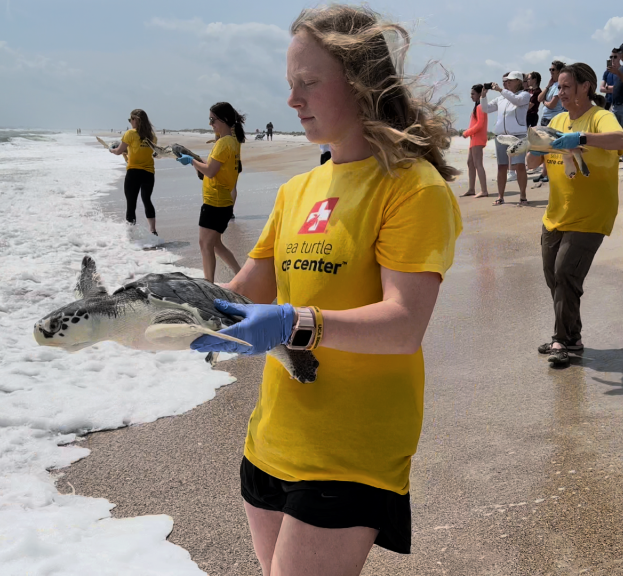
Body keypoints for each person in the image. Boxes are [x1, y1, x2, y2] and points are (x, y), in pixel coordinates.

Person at [190, 6, 462, 574]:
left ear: (362, 85)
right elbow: (240, 294)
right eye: (291, 85)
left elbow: (404, 326)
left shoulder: (412, 188)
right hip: (271, 438)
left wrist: (294, 324)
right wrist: (145, 314)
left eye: (309, 83)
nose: (293, 101)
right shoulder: (298, 189)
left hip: (352, 451)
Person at [524, 63, 623, 368]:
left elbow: (621, 141)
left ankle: (561, 340)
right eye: (559, 86)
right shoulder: (555, 118)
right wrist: (538, 148)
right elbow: (531, 163)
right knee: (554, 278)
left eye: (567, 86)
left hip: (591, 214)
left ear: (586, 86)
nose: (561, 92)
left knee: (566, 273)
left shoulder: (599, 116)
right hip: (555, 213)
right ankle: (573, 337)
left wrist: (581, 139)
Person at [177, 102, 245, 283]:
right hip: (223, 202)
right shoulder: (232, 141)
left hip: (215, 202)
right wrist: (197, 161)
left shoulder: (224, 143)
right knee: (215, 244)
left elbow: (210, 171)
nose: (210, 124)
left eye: (212, 120)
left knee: (205, 244)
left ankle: (209, 284)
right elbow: (215, 167)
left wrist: (191, 161)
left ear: (223, 120)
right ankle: (241, 276)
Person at [482, 71, 531, 205]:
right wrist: (483, 96)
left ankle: (523, 196)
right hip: (501, 137)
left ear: (519, 81)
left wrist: (500, 90)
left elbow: (517, 100)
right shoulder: (501, 98)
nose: (507, 82)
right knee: (502, 166)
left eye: (510, 80)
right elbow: (485, 109)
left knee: (519, 166)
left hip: (518, 136)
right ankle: (500, 196)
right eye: (506, 81)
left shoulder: (524, 95)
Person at [111, 109, 158, 236]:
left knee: (131, 204)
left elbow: (120, 150)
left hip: (133, 173)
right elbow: (145, 152)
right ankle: (153, 231)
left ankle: (131, 235)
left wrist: (112, 150)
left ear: (136, 120)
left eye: (131, 119)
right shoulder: (153, 137)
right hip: (148, 173)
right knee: (147, 200)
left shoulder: (130, 134)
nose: (130, 122)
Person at [535, 61, 566, 183]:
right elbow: (539, 98)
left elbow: (552, 105)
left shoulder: (560, 85)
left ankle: (550, 173)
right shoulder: (552, 85)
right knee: (544, 148)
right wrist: (548, 85)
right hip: (545, 118)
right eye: (550, 69)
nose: (551, 72)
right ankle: (544, 173)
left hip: (553, 119)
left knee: (551, 148)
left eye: (553, 70)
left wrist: (544, 103)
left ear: (559, 71)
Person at [461, 84, 490, 198]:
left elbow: (480, 124)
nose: (471, 96)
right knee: (470, 162)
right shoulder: (477, 106)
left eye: (473, 94)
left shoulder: (480, 107)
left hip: (477, 138)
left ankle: (484, 190)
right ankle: (471, 188)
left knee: (478, 164)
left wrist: (467, 133)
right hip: (474, 138)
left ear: (479, 94)